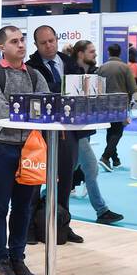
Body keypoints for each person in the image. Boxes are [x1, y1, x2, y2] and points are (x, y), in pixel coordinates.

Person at [0, 25, 44, 275]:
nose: (21, 45)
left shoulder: (36, 75)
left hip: (29, 148)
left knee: (24, 206)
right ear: (2, 47)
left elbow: (45, 107)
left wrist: (21, 112)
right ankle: (0, 260)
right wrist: (28, 111)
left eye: (22, 40)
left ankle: (18, 258)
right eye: (14, 41)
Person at [27, 25, 79, 244]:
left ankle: (63, 225)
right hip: (40, 132)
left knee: (66, 179)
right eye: (43, 42)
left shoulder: (69, 63)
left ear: (57, 40)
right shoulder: (30, 67)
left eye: (52, 40)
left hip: (69, 131)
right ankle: (29, 227)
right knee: (34, 181)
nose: (49, 45)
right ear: (36, 45)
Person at [68, 39, 123, 226]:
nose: (95, 55)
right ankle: (102, 210)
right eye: (91, 51)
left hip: (84, 129)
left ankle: (44, 198)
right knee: (91, 168)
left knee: (70, 171)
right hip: (74, 130)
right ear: (81, 54)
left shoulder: (93, 73)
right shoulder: (70, 74)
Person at [97, 43, 137, 170]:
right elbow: (132, 88)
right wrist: (136, 105)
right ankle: (105, 157)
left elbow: (97, 87)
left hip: (104, 103)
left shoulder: (101, 68)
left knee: (111, 131)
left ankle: (115, 160)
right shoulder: (125, 67)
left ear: (109, 52)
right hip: (120, 103)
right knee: (117, 132)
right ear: (120, 53)